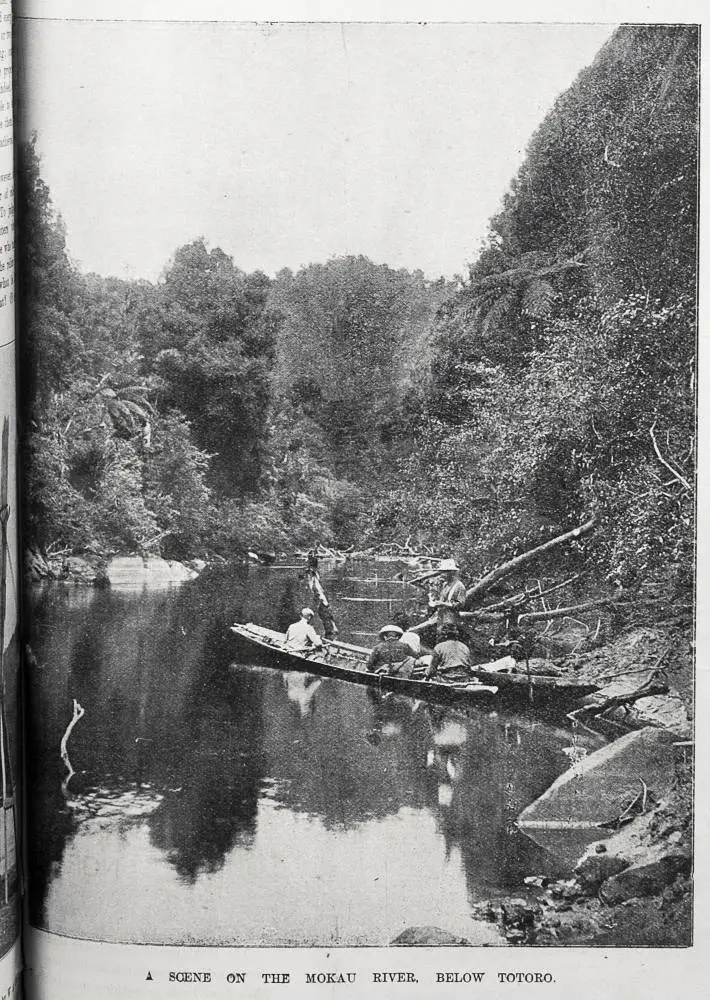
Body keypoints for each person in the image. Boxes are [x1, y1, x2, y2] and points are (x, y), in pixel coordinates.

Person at [428, 558, 467, 629]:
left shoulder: (459, 586)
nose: (443, 574)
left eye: (445, 572)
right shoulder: (445, 585)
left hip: (452, 621)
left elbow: (460, 604)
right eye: (442, 572)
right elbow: (442, 599)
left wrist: (444, 604)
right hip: (441, 619)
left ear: (452, 572)